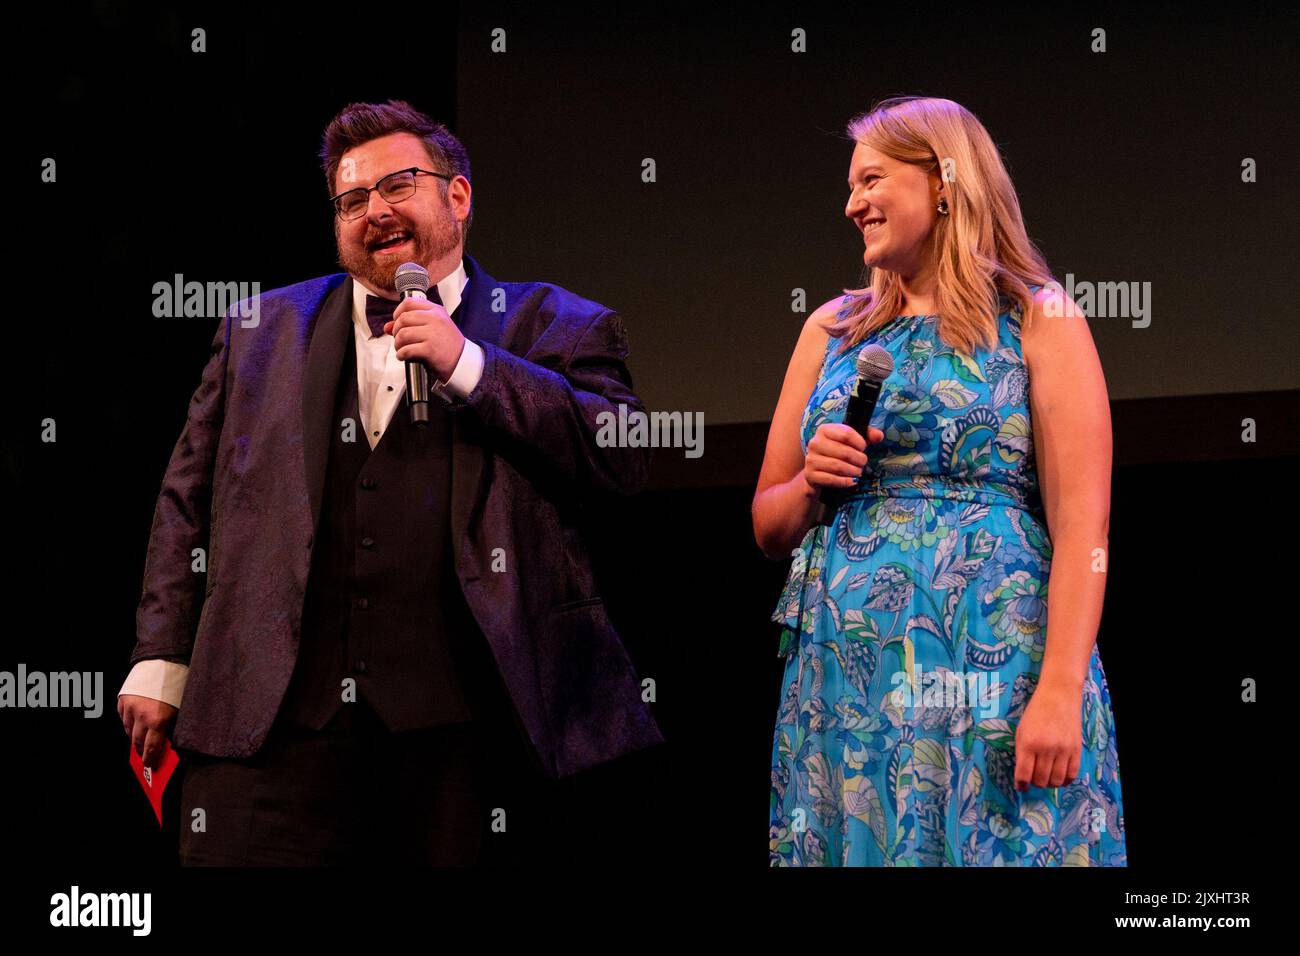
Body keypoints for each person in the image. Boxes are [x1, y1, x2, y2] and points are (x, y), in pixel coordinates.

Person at [116, 99, 663, 865]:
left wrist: (469, 364)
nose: (375, 212)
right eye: (352, 200)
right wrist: (160, 657)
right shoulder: (258, 330)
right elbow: (186, 500)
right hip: (269, 735)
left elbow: (624, 455)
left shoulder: (557, 324)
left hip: (470, 743)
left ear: (458, 197)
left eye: (398, 185)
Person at [754, 96, 1126, 866]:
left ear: (946, 180)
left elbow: (1083, 527)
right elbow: (767, 522)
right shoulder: (832, 329)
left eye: (871, 180)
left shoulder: (1037, 317)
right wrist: (811, 486)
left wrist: (1057, 687)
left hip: (999, 665)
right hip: (849, 680)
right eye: (851, 187)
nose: (851, 203)